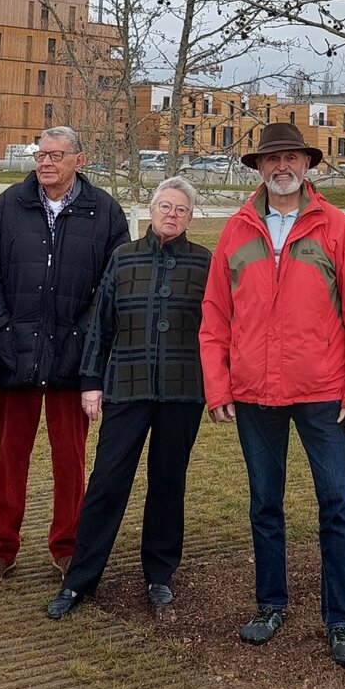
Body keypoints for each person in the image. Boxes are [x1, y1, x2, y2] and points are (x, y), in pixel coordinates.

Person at [200, 122, 345, 669]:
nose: (282, 166)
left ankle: (341, 620)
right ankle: (270, 605)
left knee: (336, 505)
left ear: (307, 165)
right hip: (255, 394)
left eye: (292, 158)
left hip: (324, 393)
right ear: (258, 167)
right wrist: (219, 384)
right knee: (265, 505)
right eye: (272, 158)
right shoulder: (236, 230)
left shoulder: (333, 227)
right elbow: (214, 317)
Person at [0, 125, 131, 586]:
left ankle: (67, 546)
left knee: (70, 459)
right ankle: (1, 548)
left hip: (73, 359)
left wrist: (85, 335)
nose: (45, 162)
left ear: (79, 160)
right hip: (19, 355)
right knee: (10, 457)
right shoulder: (10, 204)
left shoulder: (103, 211)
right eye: (40, 154)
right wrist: (3, 325)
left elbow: (113, 279)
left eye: (56, 155)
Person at [46, 177, 211, 620]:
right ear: (151, 210)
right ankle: (80, 579)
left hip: (182, 391)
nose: (171, 214)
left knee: (167, 481)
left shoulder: (204, 263)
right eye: (164, 206)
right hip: (127, 387)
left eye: (181, 208)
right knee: (106, 482)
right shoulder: (123, 257)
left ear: (190, 217)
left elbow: (218, 333)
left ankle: (159, 574)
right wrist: (90, 381)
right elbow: (101, 326)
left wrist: (220, 385)